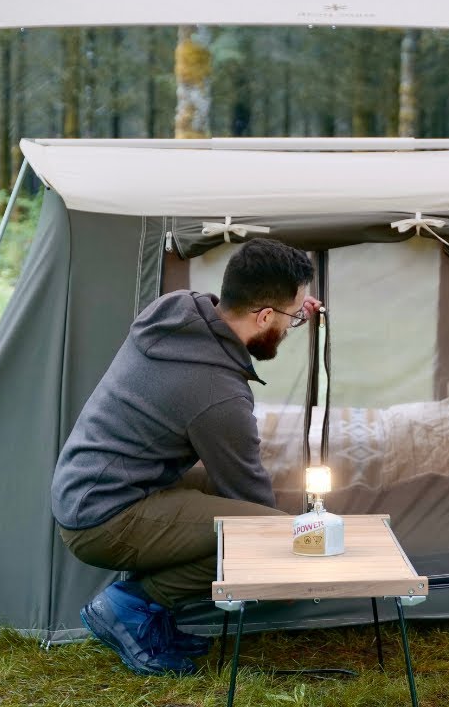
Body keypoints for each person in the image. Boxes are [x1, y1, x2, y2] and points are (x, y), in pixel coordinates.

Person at [51, 238, 320, 675]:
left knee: (238, 512)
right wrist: (279, 569)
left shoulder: (177, 311)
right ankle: (129, 606)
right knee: (271, 535)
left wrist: (291, 310)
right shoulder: (218, 395)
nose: (293, 326)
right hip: (103, 520)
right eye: (292, 317)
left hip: (89, 489)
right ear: (264, 315)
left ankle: (147, 614)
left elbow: (249, 318)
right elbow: (248, 492)